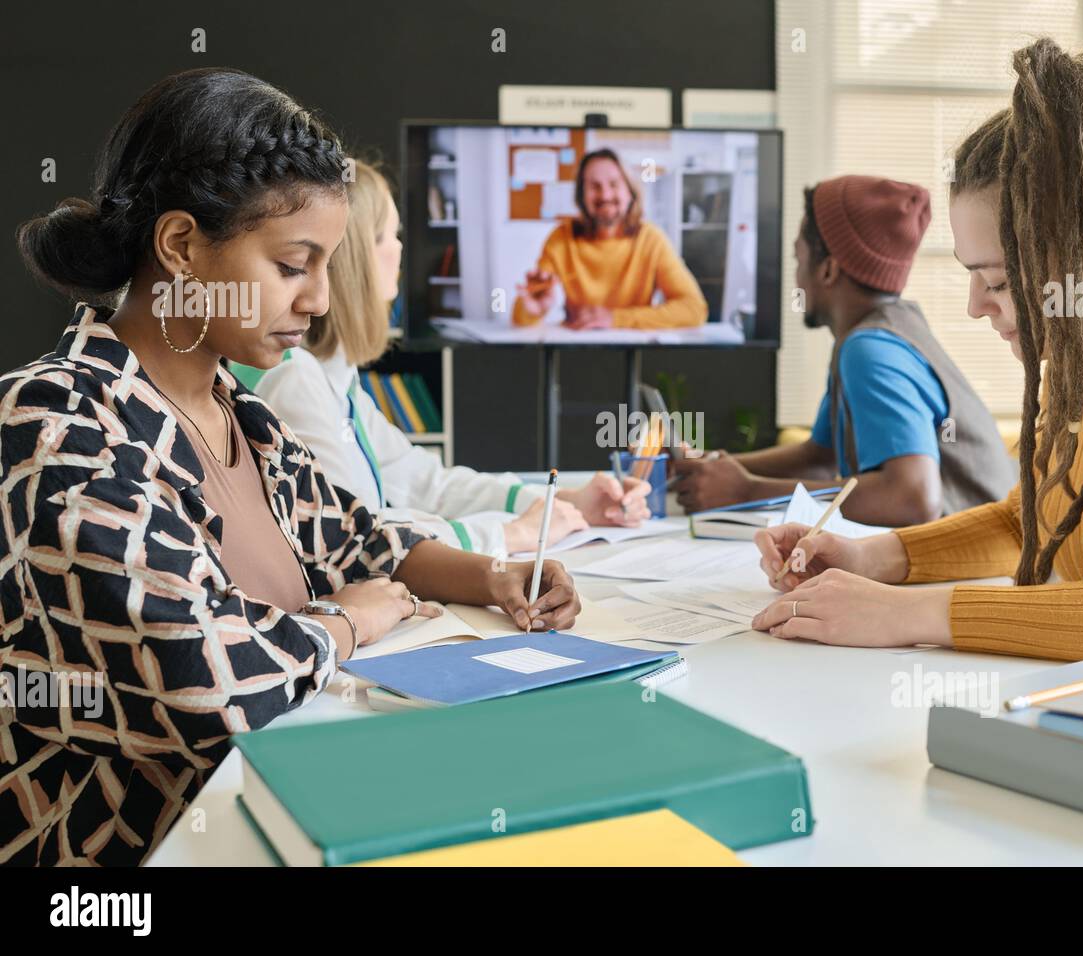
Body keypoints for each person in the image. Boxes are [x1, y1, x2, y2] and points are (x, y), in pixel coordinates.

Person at [1, 69, 579, 866]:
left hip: (280, 811)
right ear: (181, 247)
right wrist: (347, 622)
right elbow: (200, 679)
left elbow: (359, 543)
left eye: (327, 267)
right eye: (292, 266)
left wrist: (493, 577)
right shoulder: (51, 420)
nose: (317, 301)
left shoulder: (245, 414)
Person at [750, 38, 1083, 663]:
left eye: (1002, 281)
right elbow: (1026, 522)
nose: (976, 306)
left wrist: (907, 614)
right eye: (972, 274)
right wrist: (869, 557)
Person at [254, 160, 651, 557]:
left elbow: (426, 482)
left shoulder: (337, 378)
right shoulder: (296, 379)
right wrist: (508, 534)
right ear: (358, 254)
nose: (400, 247)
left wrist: (561, 501)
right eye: (390, 234)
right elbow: (356, 539)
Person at [672, 176, 1015, 525]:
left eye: (798, 259)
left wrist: (747, 492)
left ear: (828, 268)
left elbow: (912, 498)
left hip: (980, 569)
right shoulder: (885, 330)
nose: (796, 280)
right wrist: (712, 467)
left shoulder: (870, 350)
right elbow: (820, 456)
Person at [512, 148, 707, 330]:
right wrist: (532, 310)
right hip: (578, 347)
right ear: (581, 196)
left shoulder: (651, 239)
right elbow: (521, 317)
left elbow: (694, 309)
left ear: (630, 192)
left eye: (614, 184)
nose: (605, 195)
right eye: (594, 186)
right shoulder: (562, 238)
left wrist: (615, 318)